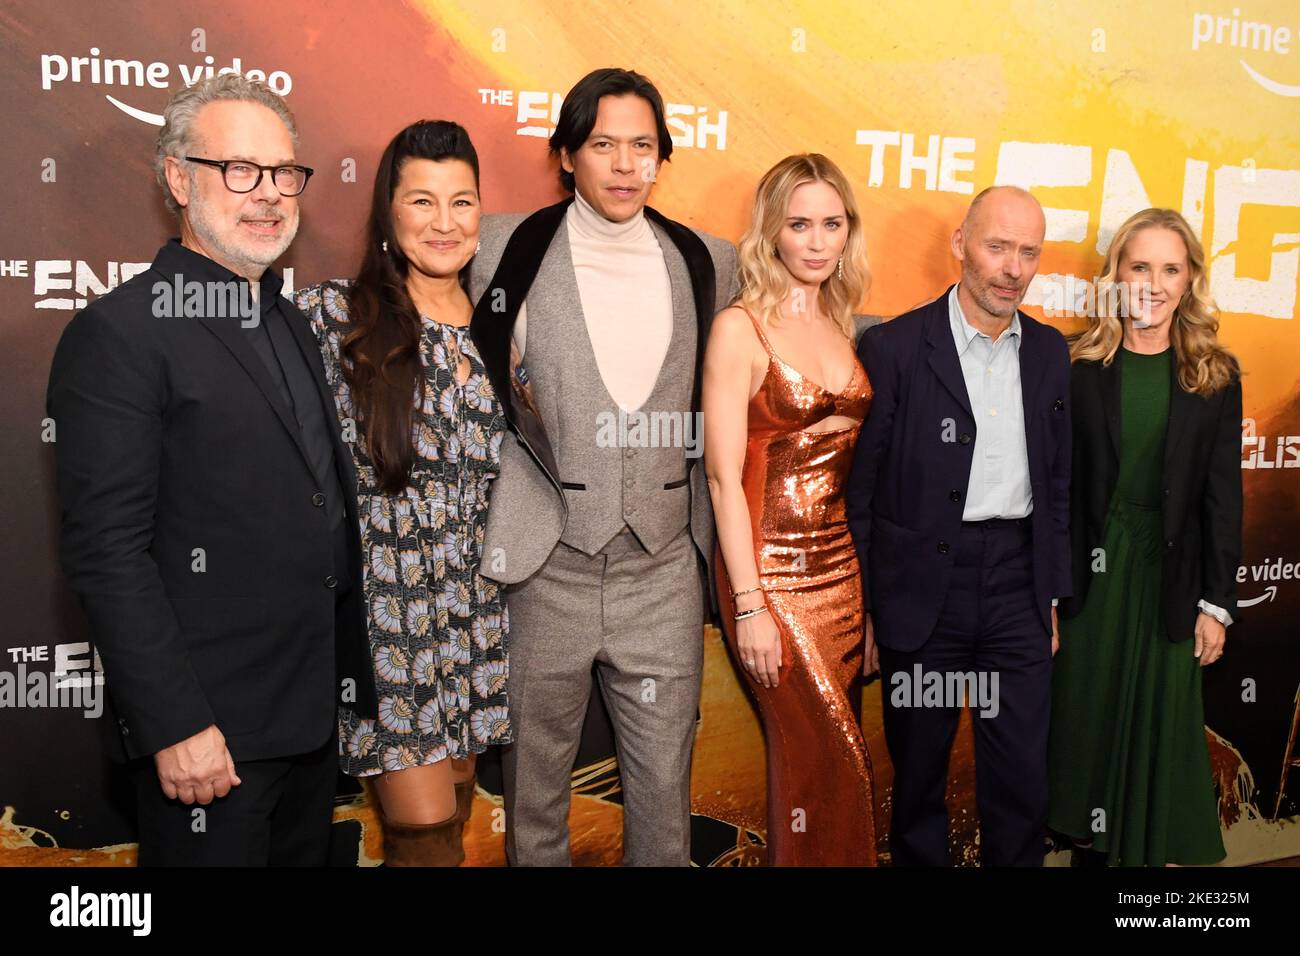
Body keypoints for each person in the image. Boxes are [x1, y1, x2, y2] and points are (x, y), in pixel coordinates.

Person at [47, 74, 376, 866]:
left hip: (306, 727)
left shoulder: (290, 320)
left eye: (284, 174)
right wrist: (174, 726)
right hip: (207, 743)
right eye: (239, 170)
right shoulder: (120, 336)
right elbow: (107, 554)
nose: (268, 195)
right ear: (177, 178)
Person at [468, 67, 737, 866]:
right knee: (535, 793)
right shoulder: (497, 249)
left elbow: (804, 315)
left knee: (663, 797)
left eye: (644, 146)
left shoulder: (708, 261)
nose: (625, 165)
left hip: (662, 570)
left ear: (662, 158)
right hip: (547, 562)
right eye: (603, 145)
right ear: (566, 154)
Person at [294, 121, 509, 867]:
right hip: (392, 623)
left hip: (480, 614)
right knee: (424, 845)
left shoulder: (503, 331)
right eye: (422, 201)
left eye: (461, 201)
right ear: (389, 213)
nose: (443, 223)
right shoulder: (333, 319)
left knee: (453, 821)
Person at [846, 185, 1072, 866]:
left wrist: (1051, 594)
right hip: (922, 591)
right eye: (998, 246)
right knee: (918, 779)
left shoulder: (1050, 354)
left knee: (1022, 784)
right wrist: (865, 611)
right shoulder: (892, 349)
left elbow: (1059, 483)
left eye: (1028, 252)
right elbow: (860, 494)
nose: (1012, 267)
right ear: (960, 245)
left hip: (1016, 585)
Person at [1049, 208, 1241, 867]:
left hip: (1170, 588)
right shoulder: (1075, 366)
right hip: (1090, 585)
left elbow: (1222, 499)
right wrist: (1046, 591)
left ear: (1189, 281)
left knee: (1150, 749)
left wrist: (1216, 604)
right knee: (1085, 739)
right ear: (1115, 275)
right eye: (1139, 266)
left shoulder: (1213, 376)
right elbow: (1055, 493)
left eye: (1170, 268)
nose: (1153, 283)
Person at [703, 153, 878, 866]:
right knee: (827, 756)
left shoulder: (844, 324)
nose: (816, 241)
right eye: (799, 224)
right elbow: (720, 477)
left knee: (831, 764)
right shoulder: (740, 330)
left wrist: (867, 605)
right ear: (772, 231)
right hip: (767, 573)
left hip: (840, 573)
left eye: (831, 224)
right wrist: (749, 605)